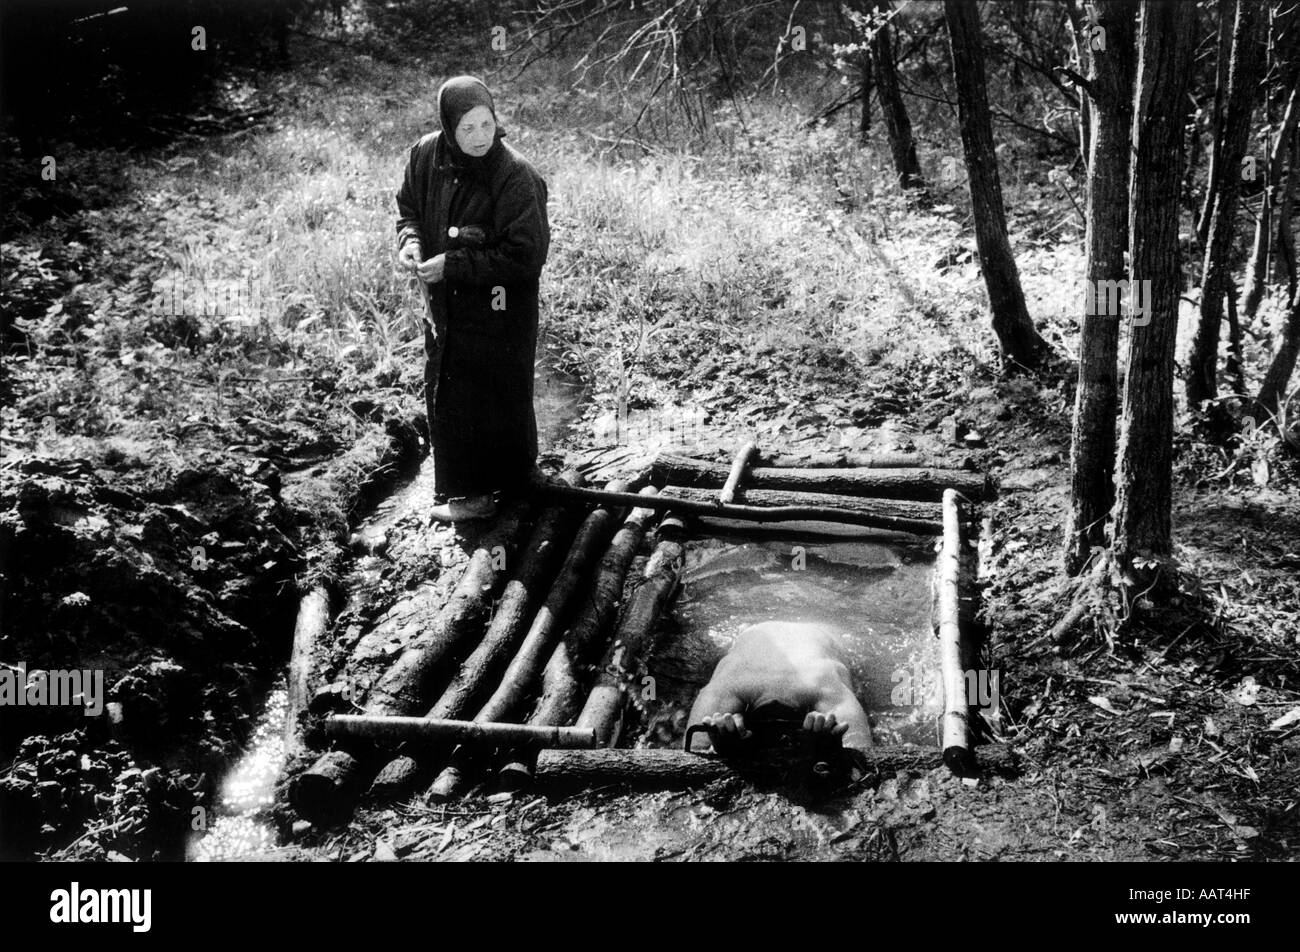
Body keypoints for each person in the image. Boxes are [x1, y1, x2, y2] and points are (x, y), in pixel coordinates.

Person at [395, 75, 550, 522]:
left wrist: (454, 264)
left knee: (498, 388)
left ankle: (497, 488)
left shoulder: (515, 175)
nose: (479, 137)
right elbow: (407, 209)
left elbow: (526, 255)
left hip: (501, 308)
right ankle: (469, 491)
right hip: (446, 307)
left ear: (496, 119)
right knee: (448, 389)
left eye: (486, 124)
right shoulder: (426, 156)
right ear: (447, 128)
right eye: (467, 129)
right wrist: (411, 243)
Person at [687, 621, 874, 755]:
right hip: (755, 635)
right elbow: (693, 752)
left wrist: (831, 745)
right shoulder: (732, 681)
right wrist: (721, 743)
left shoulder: (822, 681)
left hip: (824, 635)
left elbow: (861, 751)